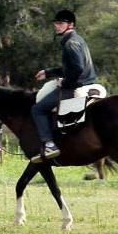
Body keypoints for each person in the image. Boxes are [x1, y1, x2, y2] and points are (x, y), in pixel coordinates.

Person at [30, 9, 96, 163]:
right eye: (56, 23)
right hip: (89, 82)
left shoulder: (70, 44)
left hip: (75, 85)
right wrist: (48, 72)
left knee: (38, 109)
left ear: (70, 24)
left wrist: (65, 82)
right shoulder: (78, 40)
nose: (56, 26)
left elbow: (78, 68)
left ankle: (49, 144)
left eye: (60, 23)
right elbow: (71, 67)